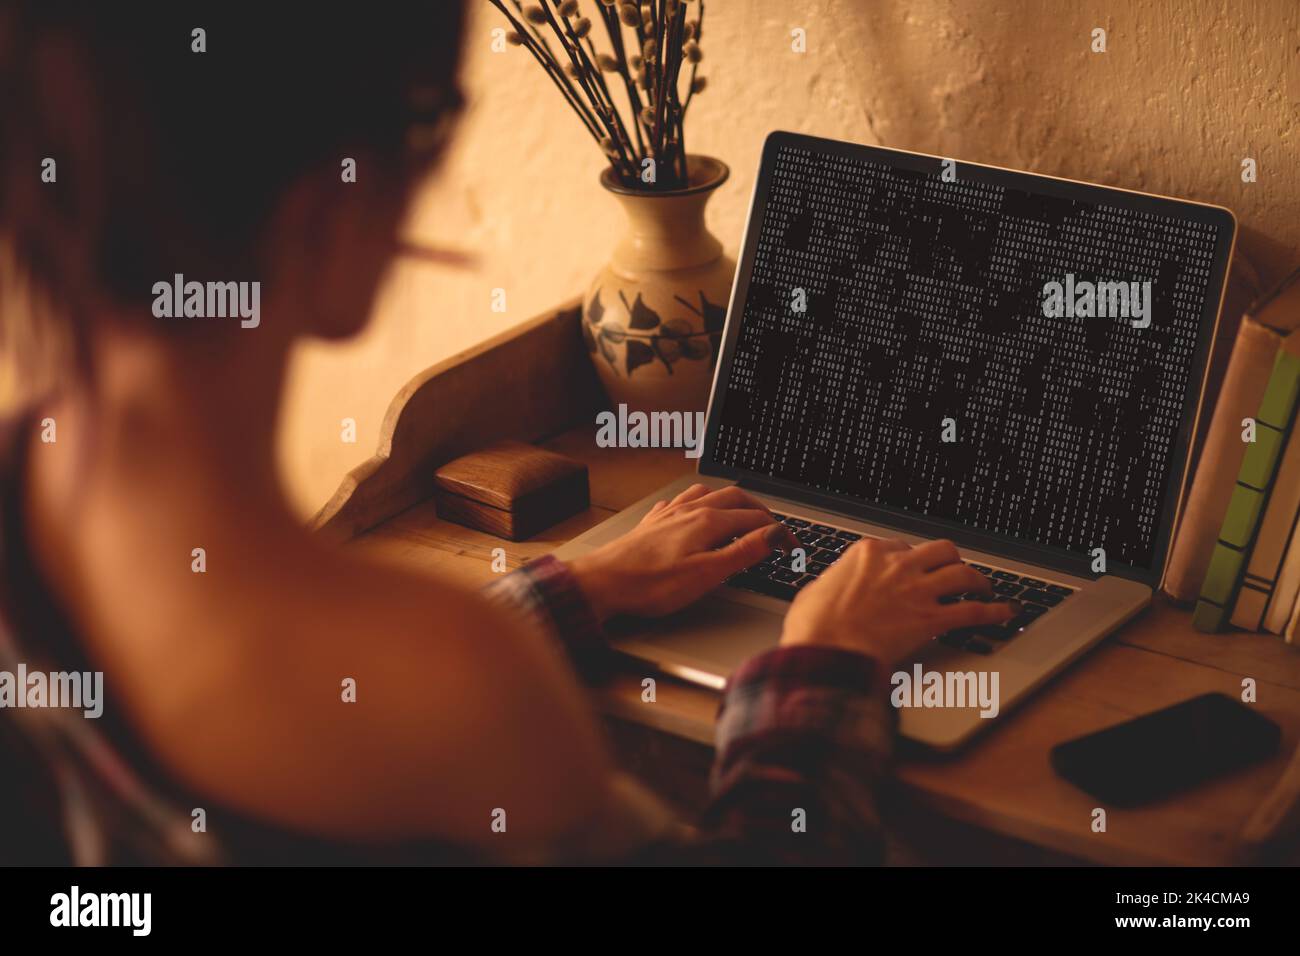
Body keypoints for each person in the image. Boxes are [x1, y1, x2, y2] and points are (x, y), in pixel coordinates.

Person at [0, 2, 1016, 865]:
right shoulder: (466, 682)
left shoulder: (29, 489)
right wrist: (824, 659)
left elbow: (367, 705)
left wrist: (578, 590)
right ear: (325, 220)